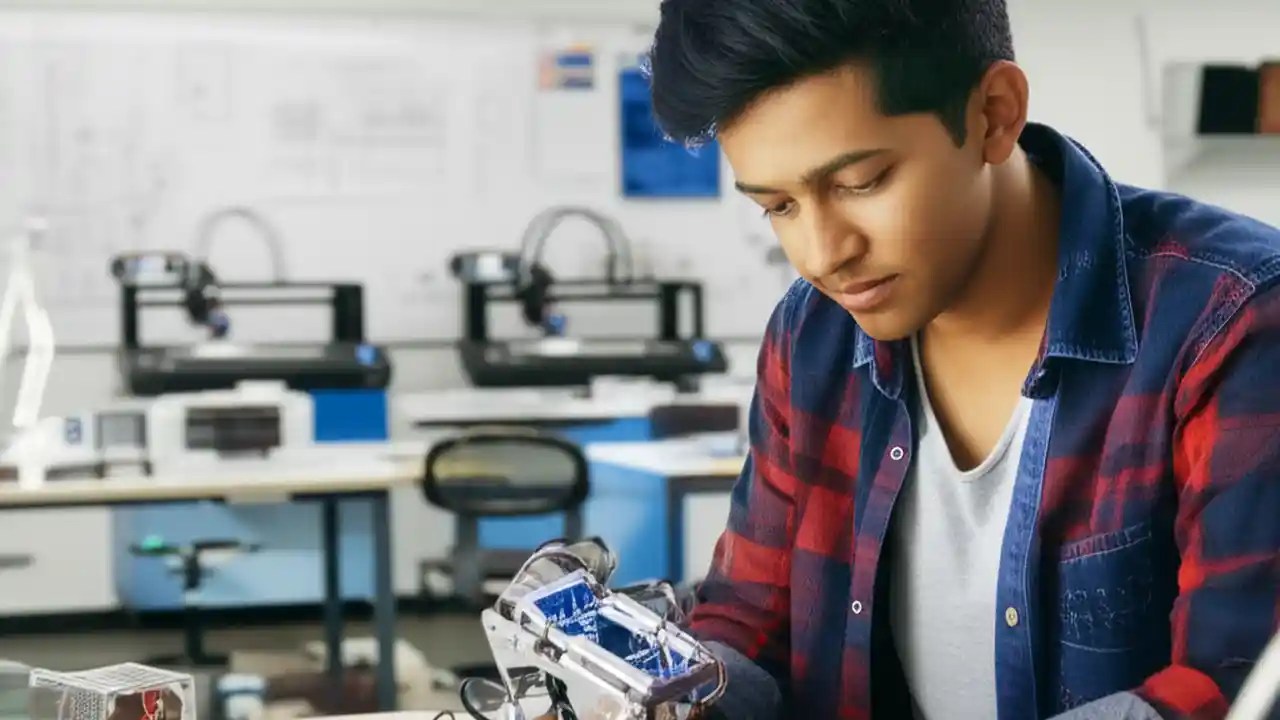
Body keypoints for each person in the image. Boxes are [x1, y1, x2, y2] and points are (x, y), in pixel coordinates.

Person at [642, 0, 1280, 718]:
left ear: (994, 115)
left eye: (861, 183)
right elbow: (750, 619)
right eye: (779, 207)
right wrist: (675, 701)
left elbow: (1234, 691)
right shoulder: (810, 334)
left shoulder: (1232, 324)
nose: (822, 254)